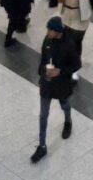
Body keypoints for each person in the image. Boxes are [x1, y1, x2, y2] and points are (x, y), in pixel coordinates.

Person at [31, 16, 81, 163]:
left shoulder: (69, 44)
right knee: (43, 115)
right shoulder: (47, 40)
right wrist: (43, 72)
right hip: (47, 84)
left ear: (57, 31)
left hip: (61, 85)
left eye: (50, 30)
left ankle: (68, 121)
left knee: (64, 105)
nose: (47, 32)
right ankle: (42, 146)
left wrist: (60, 71)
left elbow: (76, 65)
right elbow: (42, 60)